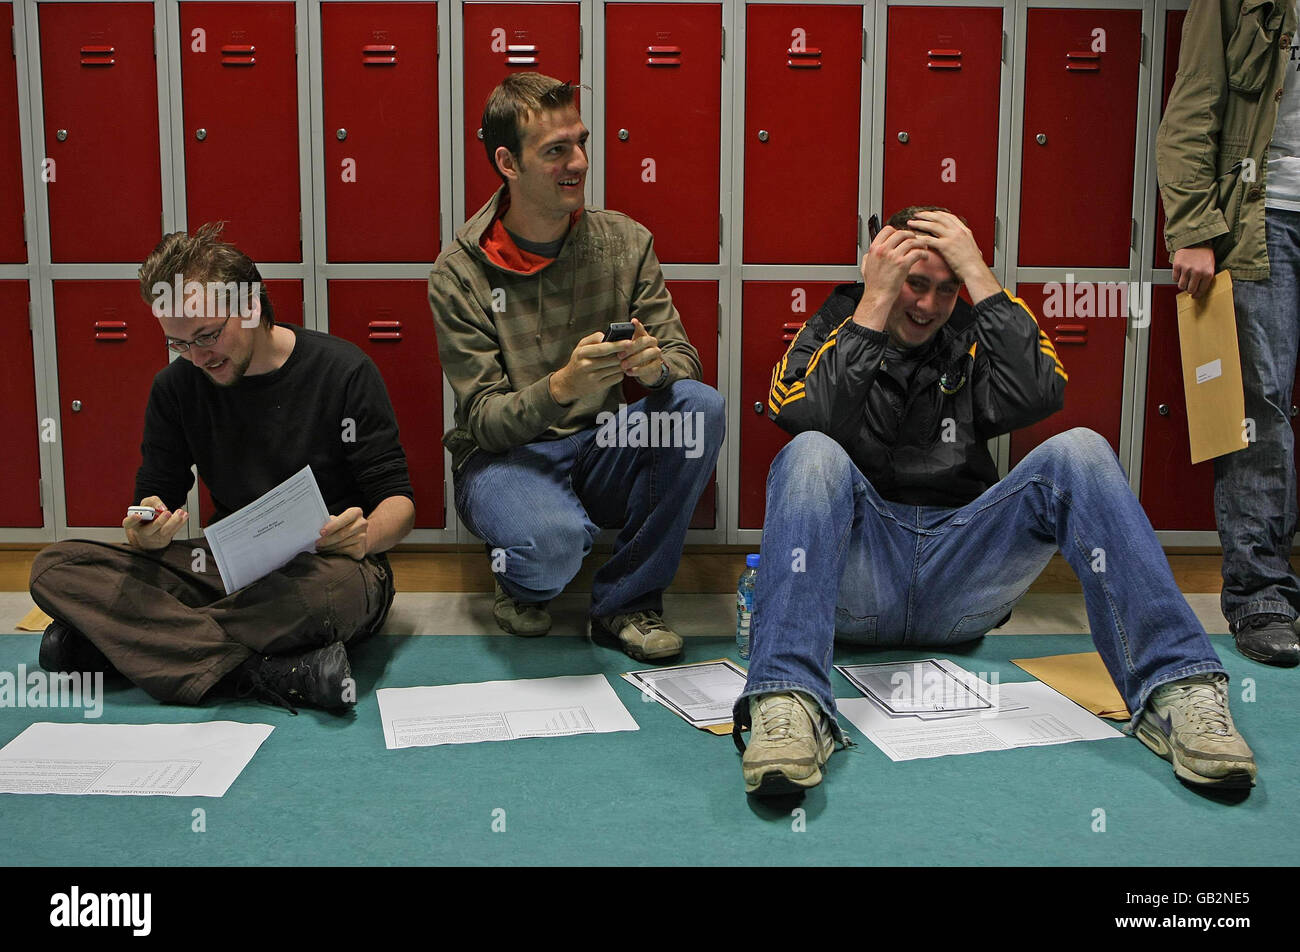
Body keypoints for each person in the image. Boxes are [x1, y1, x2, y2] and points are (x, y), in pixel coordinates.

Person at [733, 206, 1258, 796]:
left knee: (1080, 450)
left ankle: (1175, 690)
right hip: (859, 580)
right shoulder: (837, 321)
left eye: (945, 288)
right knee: (810, 453)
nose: (929, 306)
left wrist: (979, 275)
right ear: (878, 270)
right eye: (914, 283)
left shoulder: (971, 335)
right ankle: (788, 700)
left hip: (963, 573)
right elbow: (809, 414)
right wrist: (871, 308)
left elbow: (1040, 392)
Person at [29, 224, 415, 714]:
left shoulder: (343, 372)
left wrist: (365, 536)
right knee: (57, 568)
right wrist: (146, 526)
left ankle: (122, 645)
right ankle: (263, 672)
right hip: (226, 568)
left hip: (330, 567)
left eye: (208, 335)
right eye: (179, 344)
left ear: (251, 306)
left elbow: (399, 502)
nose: (198, 356)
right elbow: (157, 492)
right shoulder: (176, 387)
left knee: (325, 598)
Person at [428, 73, 724, 661]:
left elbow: (684, 362)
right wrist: (562, 386)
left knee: (700, 407)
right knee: (552, 549)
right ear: (508, 162)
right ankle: (521, 578)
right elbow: (484, 423)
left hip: (602, 445)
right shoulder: (458, 275)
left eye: (581, 143)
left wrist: (654, 366)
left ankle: (628, 601)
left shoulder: (624, 242)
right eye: (556, 150)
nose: (579, 163)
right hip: (508, 459)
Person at [1156, 0, 1300, 667]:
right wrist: (1193, 227)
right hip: (1266, 215)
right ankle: (1261, 593)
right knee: (1258, 405)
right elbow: (1192, 107)